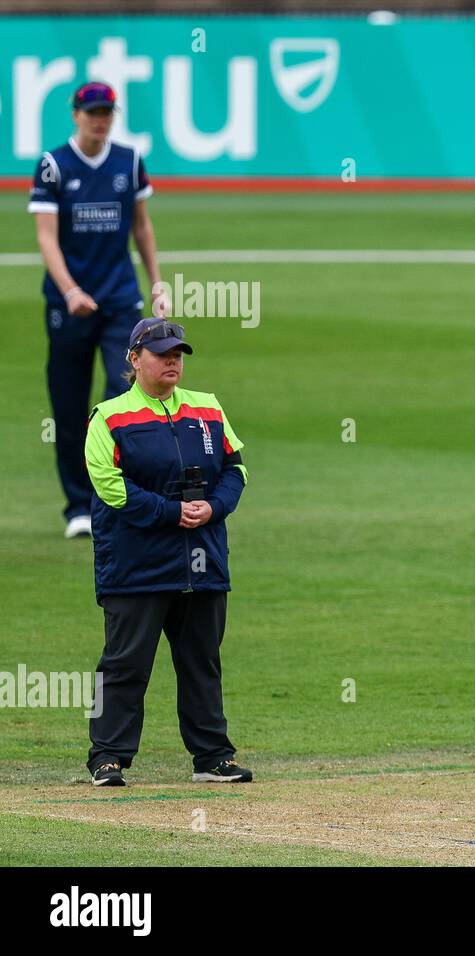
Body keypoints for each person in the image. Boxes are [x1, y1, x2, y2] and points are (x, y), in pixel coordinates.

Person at [83, 318, 251, 787]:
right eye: (162, 353)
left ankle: (213, 757)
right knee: (123, 663)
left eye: (178, 353)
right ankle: (107, 757)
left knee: (202, 662)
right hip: (136, 565)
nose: (173, 360)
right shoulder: (109, 416)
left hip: (202, 561)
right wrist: (171, 511)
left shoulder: (207, 408)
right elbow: (110, 488)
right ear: (135, 360)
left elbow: (236, 470)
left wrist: (213, 506)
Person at [29, 81, 169, 539]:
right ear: (75, 114)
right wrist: (69, 290)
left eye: (107, 110)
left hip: (120, 301)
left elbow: (142, 229)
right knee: (68, 408)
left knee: (120, 393)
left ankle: (116, 496)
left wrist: (158, 283)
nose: (100, 118)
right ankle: (77, 508)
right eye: (92, 111)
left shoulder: (128, 162)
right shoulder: (53, 166)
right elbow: (46, 236)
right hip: (68, 306)